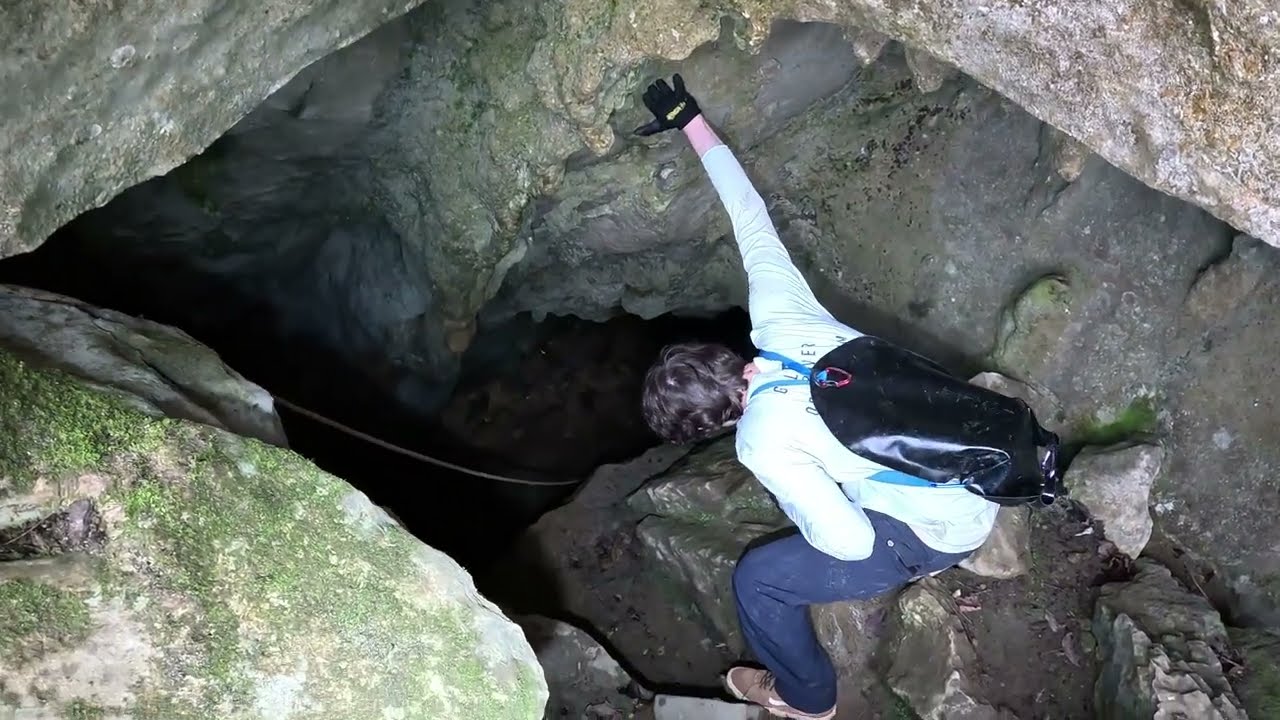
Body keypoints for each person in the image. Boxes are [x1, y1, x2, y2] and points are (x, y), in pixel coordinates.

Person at [635, 74, 1000, 720]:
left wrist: (812, 506)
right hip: (974, 454)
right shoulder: (781, 316)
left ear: (704, 430)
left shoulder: (760, 443)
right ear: (722, 356)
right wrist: (688, 118)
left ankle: (807, 699)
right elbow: (748, 214)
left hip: (942, 529)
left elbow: (850, 543)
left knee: (757, 580)